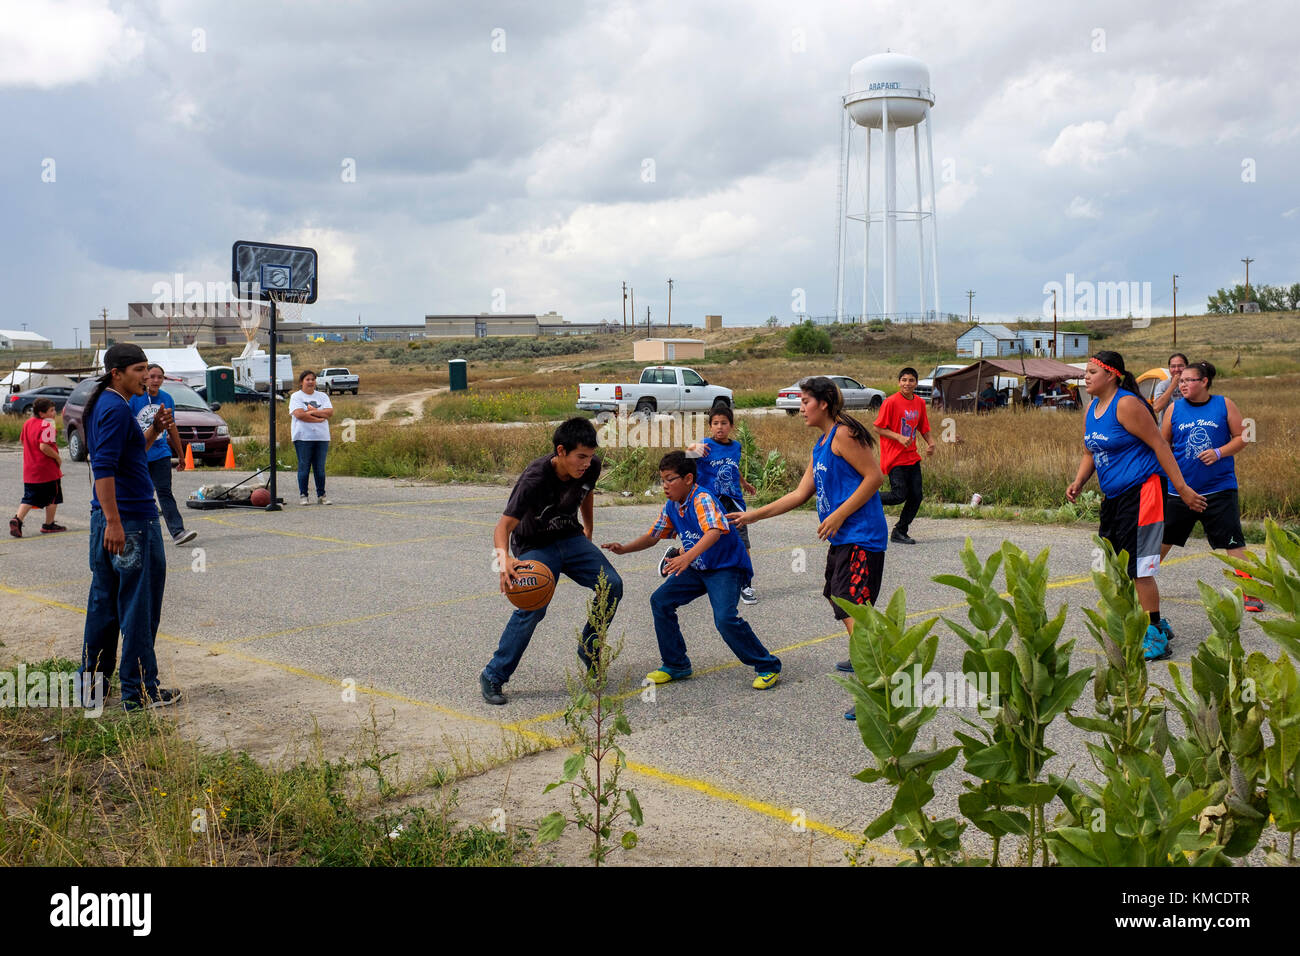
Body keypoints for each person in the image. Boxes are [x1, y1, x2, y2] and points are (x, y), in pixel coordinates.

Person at [729, 376, 887, 720]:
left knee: (852, 610)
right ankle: (865, 653)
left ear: (824, 403)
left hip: (862, 536)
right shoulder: (822, 444)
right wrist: (752, 516)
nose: (800, 408)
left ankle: (873, 689)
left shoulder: (843, 434)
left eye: (805, 402)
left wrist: (839, 515)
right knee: (840, 598)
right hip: (846, 539)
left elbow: (875, 477)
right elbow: (800, 495)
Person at [1067, 350, 1206, 662]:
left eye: (1092, 372)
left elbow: (1159, 444)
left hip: (1143, 491)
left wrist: (1182, 489)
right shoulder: (1092, 408)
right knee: (1116, 561)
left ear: (1112, 375)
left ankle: (1154, 633)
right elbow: (1091, 451)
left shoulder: (1127, 404)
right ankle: (1151, 617)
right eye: (1085, 372)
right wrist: (1079, 481)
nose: (1086, 377)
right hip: (1114, 497)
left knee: (1139, 565)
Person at [604, 450, 780, 689]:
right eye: (662, 480)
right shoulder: (671, 506)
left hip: (725, 567)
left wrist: (686, 557)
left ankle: (767, 665)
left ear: (688, 479)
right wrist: (624, 549)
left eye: (669, 479)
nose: (664, 485)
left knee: (725, 619)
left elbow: (714, 531)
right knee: (660, 601)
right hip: (698, 566)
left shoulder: (702, 498)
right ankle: (676, 664)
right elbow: (653, 536)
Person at [480, 418, 622, 705]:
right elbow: (503, 526)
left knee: (613, 586)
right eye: (580, 456)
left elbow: (586, 493)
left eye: (591, 456)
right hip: (534, 544)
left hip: (570, 538)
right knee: (533, 606)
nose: (586, 463)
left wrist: (588, 528)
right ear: (561, 451)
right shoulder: (535, 478)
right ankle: (493, 674)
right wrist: (503, 559)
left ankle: (589, 647)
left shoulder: (590, 468)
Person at [79, 343, 182, 711]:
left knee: (104, 606)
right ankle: (139, 692)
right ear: (117, 373)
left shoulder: (111, 405)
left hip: (117, 521)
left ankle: (91, 688)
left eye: (147, 369)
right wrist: (114, 522)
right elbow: (102, 469)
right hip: (131, 522)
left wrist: (154, 430)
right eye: (139, 370)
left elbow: (129, 452)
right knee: (139, 607)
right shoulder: (114, 408)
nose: (146, 376)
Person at [1159, 361, 1264, 612]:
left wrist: (1219, 452)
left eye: (1188, 380)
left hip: (1219, 489)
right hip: (1181, 490)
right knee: (1161, 540)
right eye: (1180, 380)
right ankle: (1136, 584)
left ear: (1204, 381)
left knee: (1233, 542)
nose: (1182, 384)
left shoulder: (1223, 404)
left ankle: (1250, 592)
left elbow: (1243, 437)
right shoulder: (1174, 409)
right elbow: (1162, 445)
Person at [685, 400, 759, 604]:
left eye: (724, 423)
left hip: (734, 503)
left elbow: (733, 467)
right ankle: (680, 558)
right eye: (716, 423)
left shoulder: (736, 446)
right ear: (710, 426)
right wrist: (693, 448)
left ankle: (746, 585)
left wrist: (744, 483)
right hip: (710, 504)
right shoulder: (704, 446)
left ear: (731, 426)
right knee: (705, 541)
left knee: (742, 543)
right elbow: (684, 458)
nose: (720, 427)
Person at [129, 364, 196, 545]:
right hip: (140, 454)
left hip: (161, 454)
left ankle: (178, 531)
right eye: (152, 376)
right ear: (145, 378)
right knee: (142, 494)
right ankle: (137, 532)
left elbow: (171, 427)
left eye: (160, 377)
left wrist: (181, 456)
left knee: (164, 492)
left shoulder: (167, 399)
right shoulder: (135, 399)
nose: (156, 380)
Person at [874, 367, 935, 544]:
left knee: (916, 496)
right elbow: (878, 427)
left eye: (911, 380)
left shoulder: (920, 403)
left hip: (911, 456)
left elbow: (924, 427)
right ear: (899, 382)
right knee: (899, 495)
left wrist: (931, 442)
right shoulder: (891, 402)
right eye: (904, 380)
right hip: (894, 457)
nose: (907, 383)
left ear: (916, 383)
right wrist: (898, 437)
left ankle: (900, 531)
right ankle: (864, 497)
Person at [10, 398, 66, 537]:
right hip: (47, 469)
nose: (54, 413)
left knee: (29, 497)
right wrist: (57, 457)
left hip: (30, 468)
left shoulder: (28, 423)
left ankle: (17, 519)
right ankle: (49, 524)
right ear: (42, 413)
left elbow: (23, 440)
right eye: (51, 410)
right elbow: (44, 446)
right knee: (54, 496)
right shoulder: (48, 424)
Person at [289, 370, 333, 505]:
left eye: (313, 379)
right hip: (303, 437)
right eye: (307, 379)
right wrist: (319, 418)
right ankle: (303, 495)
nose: (310, 382)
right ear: (302, 381)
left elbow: (329, 412)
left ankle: (322, 495)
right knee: (304, 466)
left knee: (319, 467)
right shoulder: (296, 397)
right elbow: (299, 414)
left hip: (321, 436)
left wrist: (312, 411)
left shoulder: (323, 396)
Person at [1151, 352, 1189, 419]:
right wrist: (1173, 385)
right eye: (1173, 366)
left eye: (1180, 366)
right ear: (1169, 368)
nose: (1177, 369)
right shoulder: (1162, 385)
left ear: (1187, 367)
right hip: (1167, 427)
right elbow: (1156, 408)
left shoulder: (1193, 384)